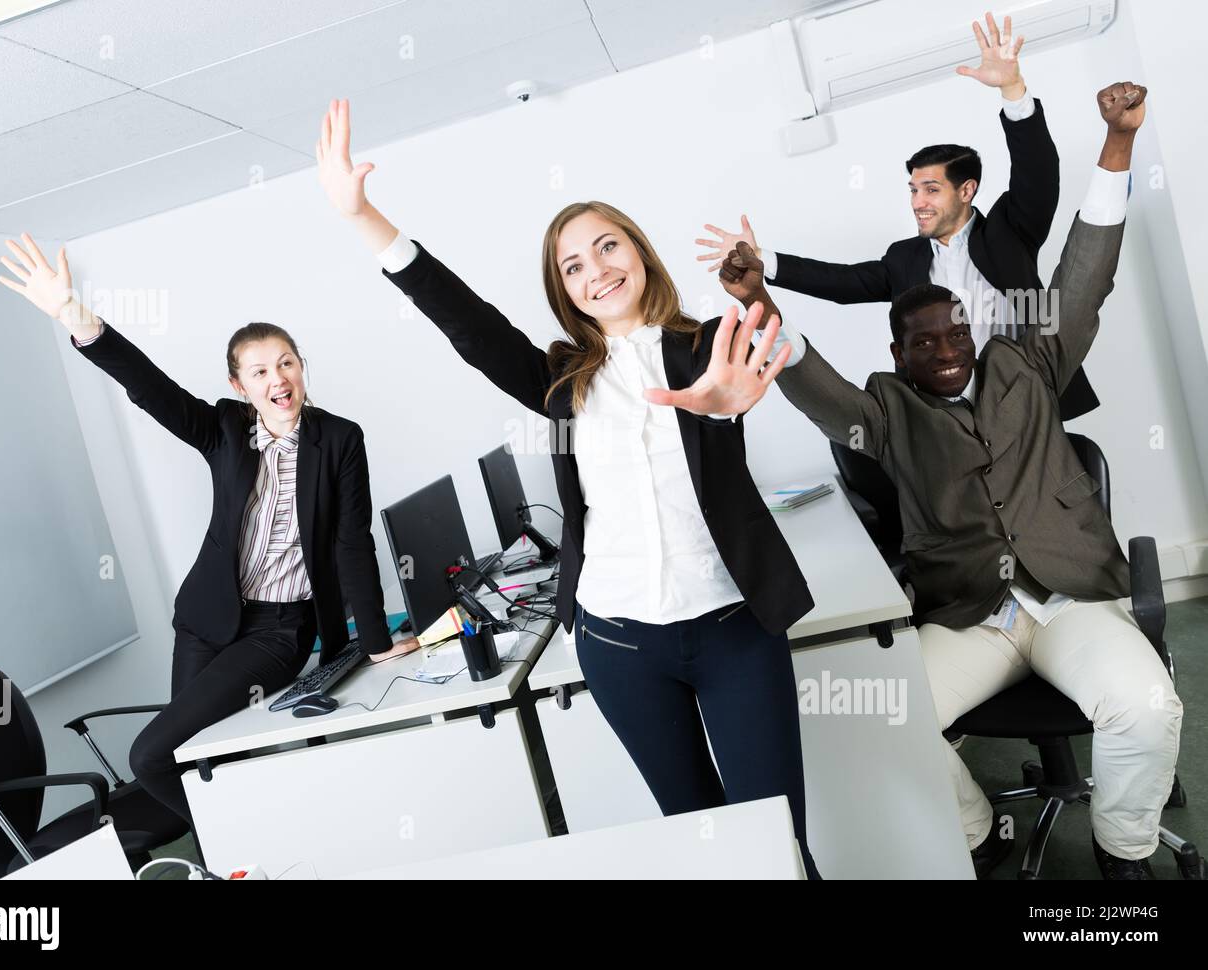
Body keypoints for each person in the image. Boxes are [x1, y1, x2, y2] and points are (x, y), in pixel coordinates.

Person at [315, 98, 822, 876]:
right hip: (621, 644)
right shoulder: (561, 383)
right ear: (563, 290)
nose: (596, 271)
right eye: (573, 266)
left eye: (607, 246)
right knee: (708, 854)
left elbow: (755, 353)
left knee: (779, 851)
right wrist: (364, 218)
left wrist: (727, 395)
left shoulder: (702, 351)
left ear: (642, 253)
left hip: (734, 629)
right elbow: (468, 324)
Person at [719, 82, 1181, 879]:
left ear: (974, 327)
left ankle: (1122, 850)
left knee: (1148, 705)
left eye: (954, 331)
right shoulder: (888, 413)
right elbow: (811, 378)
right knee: (884, 721)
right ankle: (977, 832)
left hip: (1072, 597)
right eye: (922, 341)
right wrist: (759, 300)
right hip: (974, 618)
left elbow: (1087, 268)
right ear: (899, 354)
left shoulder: (1030, 361)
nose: (944, 350)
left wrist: (1118, 141)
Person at [0, 236, 419, 831]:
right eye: (260, 370)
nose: (278, 379)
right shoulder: (223, 427)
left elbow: (353, 542)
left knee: (150, 754)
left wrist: (375, 641)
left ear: (301, 367)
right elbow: (150, 387)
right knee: (187, 756)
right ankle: (242, 851)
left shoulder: (340, 439)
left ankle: (251, 840)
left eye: (287, 363)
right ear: (239, 383)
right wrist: (75, 315)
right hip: (204, 619)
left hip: (279, 629)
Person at [698, 12, 1099, 420]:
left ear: (967, 190)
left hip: (1026, 404)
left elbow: (1038, 173)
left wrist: (1013, 90)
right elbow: (842, 282)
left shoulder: (1009, 230)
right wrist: (763, 258)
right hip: (943, 419)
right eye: (913, 190)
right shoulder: (904, 258)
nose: (917, 202)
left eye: (931, 189)